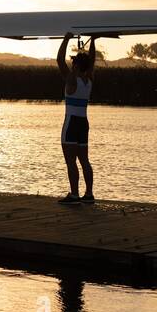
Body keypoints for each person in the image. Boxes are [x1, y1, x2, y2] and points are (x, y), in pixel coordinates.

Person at [57, 32, 97, 204]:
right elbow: (92, 60)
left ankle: (74, 195)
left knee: (70, 161)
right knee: (84, 160)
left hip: (71, 122)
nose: (71, 63)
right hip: (83, 123)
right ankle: (88, 194)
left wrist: (66, 39)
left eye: (73, 62)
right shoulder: (89, 79)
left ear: (77, 65)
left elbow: (59, 60)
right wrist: (93, 40)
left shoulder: (72, 79)